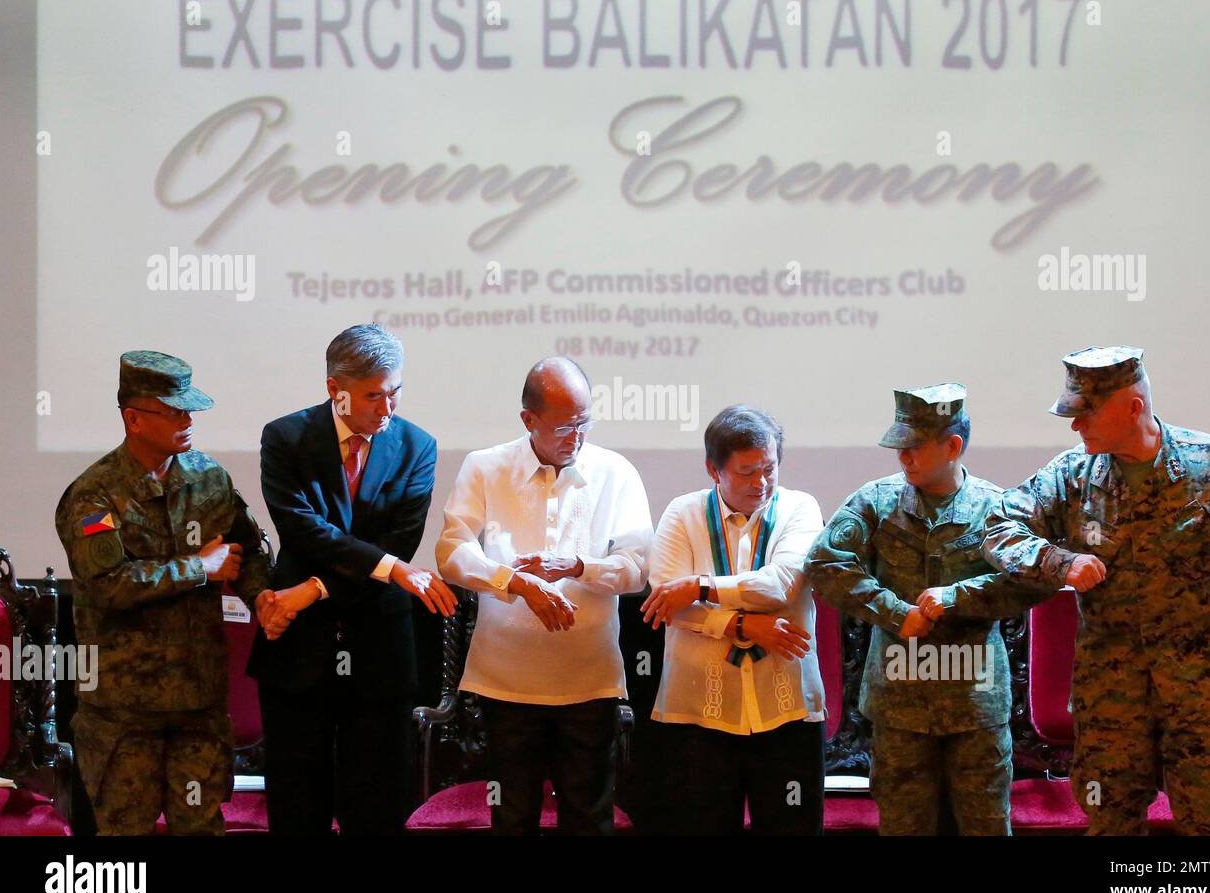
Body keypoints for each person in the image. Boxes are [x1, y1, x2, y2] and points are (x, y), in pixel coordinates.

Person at [982, 346, 1210, 835]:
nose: (1075, 425)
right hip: (1111, 691)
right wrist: (1059, 562)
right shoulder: (1071, 475)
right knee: (1111, 822)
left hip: (1200, 686)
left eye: (1086, 413)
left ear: (1133, 407)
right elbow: (998, 529)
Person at [54, 350, 277, 834]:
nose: (187, 420)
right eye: (174, 412)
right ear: (133, 419)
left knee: (200, 828)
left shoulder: (208, 478)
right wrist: (199, 567)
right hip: (123, 711)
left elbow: (249, 551)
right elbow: (108, 585)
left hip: (198, 702)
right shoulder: (94, 496)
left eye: (189, 411)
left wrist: (261, 596)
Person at [805, 384, 1040, 835]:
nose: (903, 456)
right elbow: (824, 564)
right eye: (900, 446)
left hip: (975, 703)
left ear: (952, 446)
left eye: (914, 446)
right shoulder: (876, 502)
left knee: (986, 827)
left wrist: (959, 597)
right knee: (903, 828)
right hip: (900, 705)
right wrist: (896, 612)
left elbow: (1031, 579)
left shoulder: (997, 508)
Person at [250, 324, 455, 835]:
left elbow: (399, 541)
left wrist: (312, 590)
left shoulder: (417, 446)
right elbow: (303, 531)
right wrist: (388, 568)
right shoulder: (286, 438)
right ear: (334, 389)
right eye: (372, 396)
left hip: (378, 651)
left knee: (377, 808)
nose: (387, 408)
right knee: (297, 808)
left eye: (395, 392)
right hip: (297, 652)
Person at [436, 357, 651, 834]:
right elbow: (452, 551)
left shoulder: (616, 472)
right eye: (563, 427)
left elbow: (638, 569)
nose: (576, 437)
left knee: (589, 816)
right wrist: (515, 582)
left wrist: (578, 566)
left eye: (584, 422)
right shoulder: (485, 467)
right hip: (506, 679)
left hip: (589, 677)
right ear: (528, 420)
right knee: (512, 816)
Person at [642, 405, 826, 834]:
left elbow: (780, 584)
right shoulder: (683, 514)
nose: (761, 483)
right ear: (714, 469)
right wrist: (742, 626)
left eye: (770, 469)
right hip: (699, 712)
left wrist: (700, 587)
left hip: (786, 710)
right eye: (747, 472)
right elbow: (668, 600)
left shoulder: (800, 508)